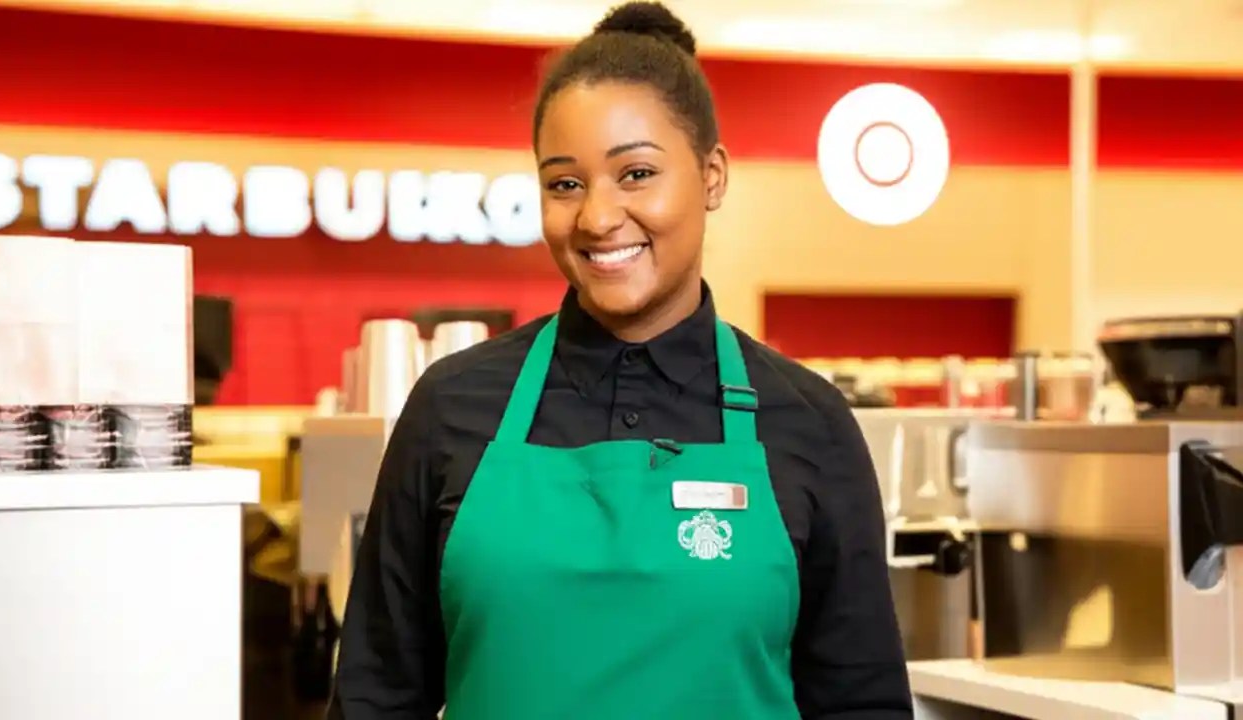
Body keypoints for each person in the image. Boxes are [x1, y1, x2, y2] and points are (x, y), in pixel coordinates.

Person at [328, 2, 912, 718]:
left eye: (635, 174)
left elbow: (862, 705)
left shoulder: (808, 423)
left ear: (713, 177)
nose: (598, 218)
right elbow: (376, 694)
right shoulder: (453, 406)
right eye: (564, 183)